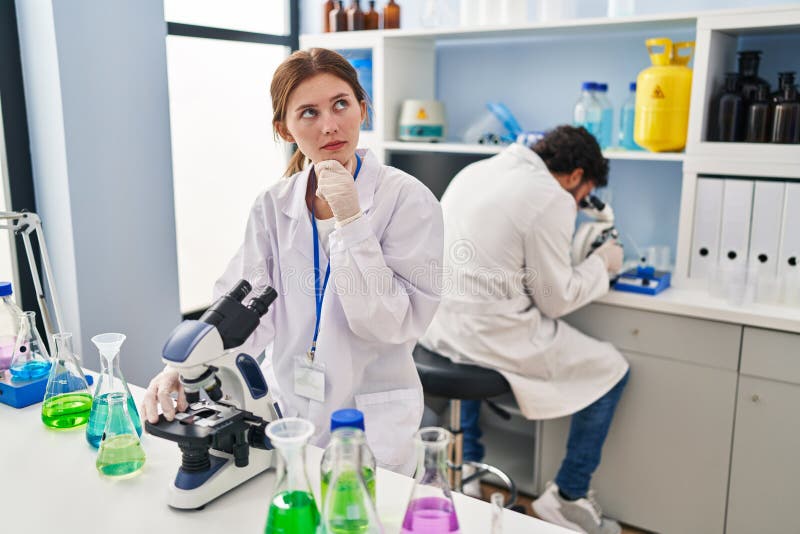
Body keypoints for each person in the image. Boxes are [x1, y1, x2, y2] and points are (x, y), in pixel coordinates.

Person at [142, 48, 443, 476]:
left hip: (370, 421)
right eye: (308, 113)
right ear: (284, 129)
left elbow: (390, 324)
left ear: (362, 108)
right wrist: (185, 365)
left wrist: (352, 222)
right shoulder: (273, 205)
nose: (329, 125)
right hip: (285, 412)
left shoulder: (408, 200)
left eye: (341, 104)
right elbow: (242, 309)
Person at [421, 126, 629, 534]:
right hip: (489, 335)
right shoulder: (552, 197)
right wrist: (602, 264)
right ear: (576, 176)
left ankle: (468, 474)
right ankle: (567, 496)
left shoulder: (477, 170)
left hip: (438, 328)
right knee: (612, 368)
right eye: (583, 194)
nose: (579, 204)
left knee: (472, 352)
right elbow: (557, 300)